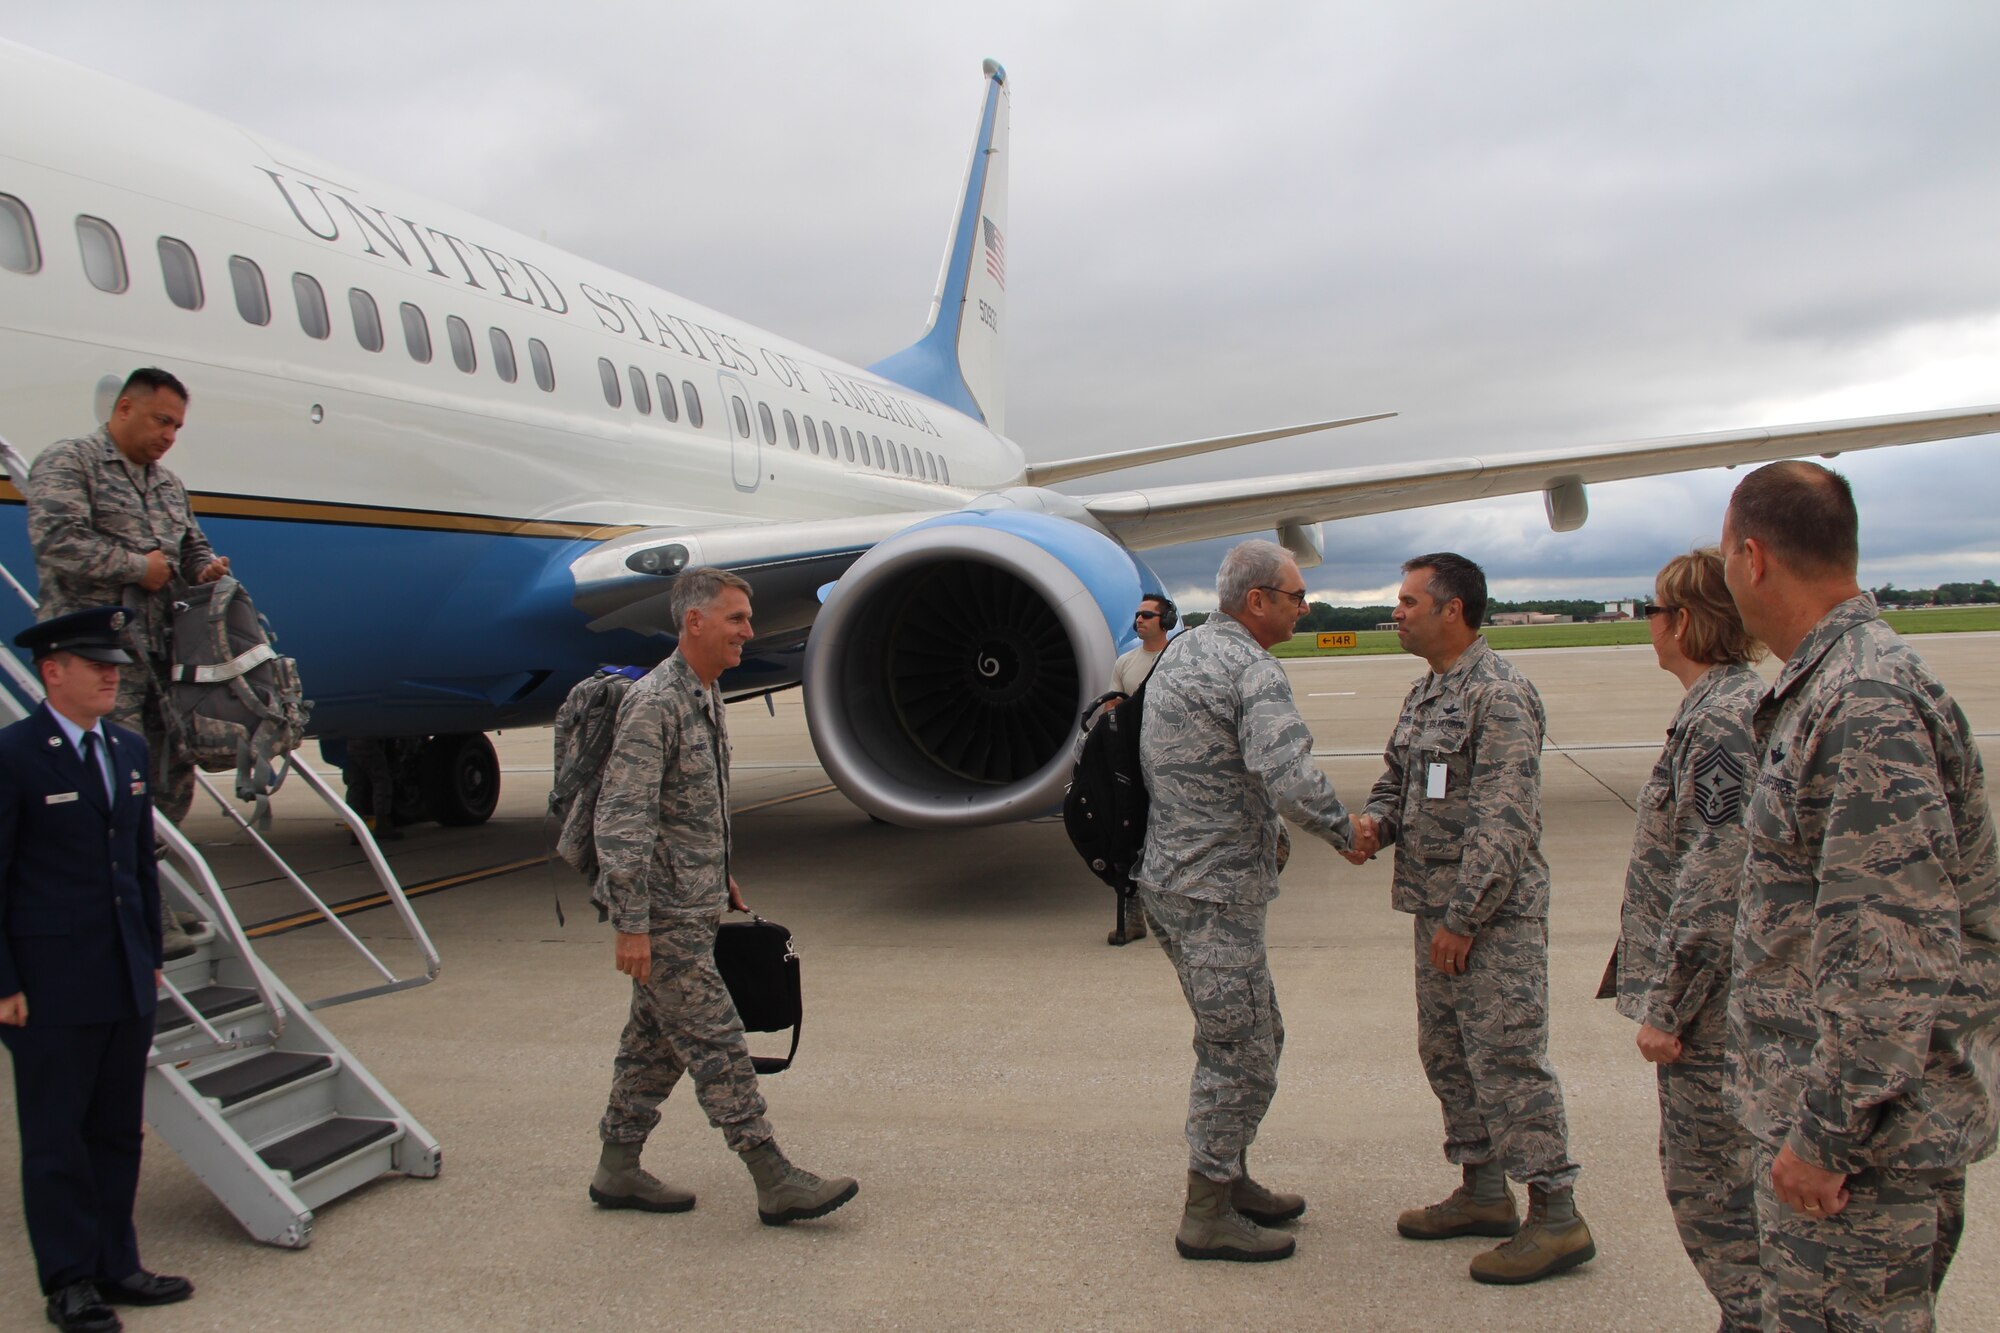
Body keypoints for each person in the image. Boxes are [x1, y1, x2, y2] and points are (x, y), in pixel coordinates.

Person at [1721, 460, 1998, 1330]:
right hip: (1849, 1126)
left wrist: (1825, 1133)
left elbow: (1890, 954)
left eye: (1727, 556)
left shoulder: (1862, 699)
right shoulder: (1836, 681)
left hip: (1860, 1153)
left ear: (1754, 559)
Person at [1346, 552, 1594, 1284]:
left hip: (1491, 920)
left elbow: (1505, 822)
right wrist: (1375, 825)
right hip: (1437, 911)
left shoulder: (1500, 695)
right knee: (1448, 1054)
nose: (1396, 612)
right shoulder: (1428, 691)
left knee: (1508, 1058)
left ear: (1452, 609)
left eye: (1408, 601)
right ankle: (1484, 1192)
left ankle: (1557, 1214)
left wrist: (1464, 917)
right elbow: (1399, 780)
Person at [588, 566, 857, 1225]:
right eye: (736, 618)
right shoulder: (655, 703)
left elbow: (687, 806)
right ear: (695, 621)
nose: (749, 631)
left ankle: (617, 1166)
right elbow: (622, 820)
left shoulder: (704, 693)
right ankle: (774, 1177)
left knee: (652, 1047)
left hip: (694, 902)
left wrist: (719, 872)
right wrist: (631, 924)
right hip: (664, 917)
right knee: (717, 1043)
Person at [1134, 539, 1355, 1262]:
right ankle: (1206, 1212)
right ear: (1256, 600)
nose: (1304, 607)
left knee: (1250, 1034)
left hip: (1173, 880)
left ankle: (1229, 1177)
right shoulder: (1249, 666)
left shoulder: (1183, 653)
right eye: (1296, 596)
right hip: (1215, 891)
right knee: (1241, 1051)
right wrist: (1348, 831)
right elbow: (1288, 776)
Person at [0, 607, 195, 1332]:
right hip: (48, 984)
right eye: (96, 665)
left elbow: (138, 866)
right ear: (53, 672)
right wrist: (4, 981)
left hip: (122, 974)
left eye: (115, 664)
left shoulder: (127, 749)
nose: (113, 675)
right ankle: (69, 1280)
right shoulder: (16, 755)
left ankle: (117, 1263)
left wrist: (149, 955)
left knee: (117, 1130)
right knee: (57, 1139)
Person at [24, 368, 231, 958]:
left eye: (177, 427)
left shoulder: (167, 484)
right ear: (123, 410)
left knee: (170, 781)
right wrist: (138, 568)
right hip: (96, 656)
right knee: (115, 787)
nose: (169, 435)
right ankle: (139, 912)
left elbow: (189, 546)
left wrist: (203, 568)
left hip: (161, 656)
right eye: (161, 421)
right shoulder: (71, 462)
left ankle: (148, 891)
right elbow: (56, 539)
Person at [1609, 549, 1764, 1330]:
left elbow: (1716, 872)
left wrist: (1668, 1007)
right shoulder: (1716, 709)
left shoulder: (1724, 720)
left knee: (1715, 1194)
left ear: (1685, 622)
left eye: (1655, 607)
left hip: (1714, 1012)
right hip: (1717, 1000)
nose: (1649, 623)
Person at [1104, 592, 1175, 946]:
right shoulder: (1125, 663)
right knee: (1130, 838)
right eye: (1138, 615)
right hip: (1134, 762)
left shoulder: (1178, 660)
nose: (1139, 620)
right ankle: (1133, 917)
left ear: (1167, 621)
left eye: (1147, 615)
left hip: (1173, 764)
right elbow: (1112, 707)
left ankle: (1173, 913)